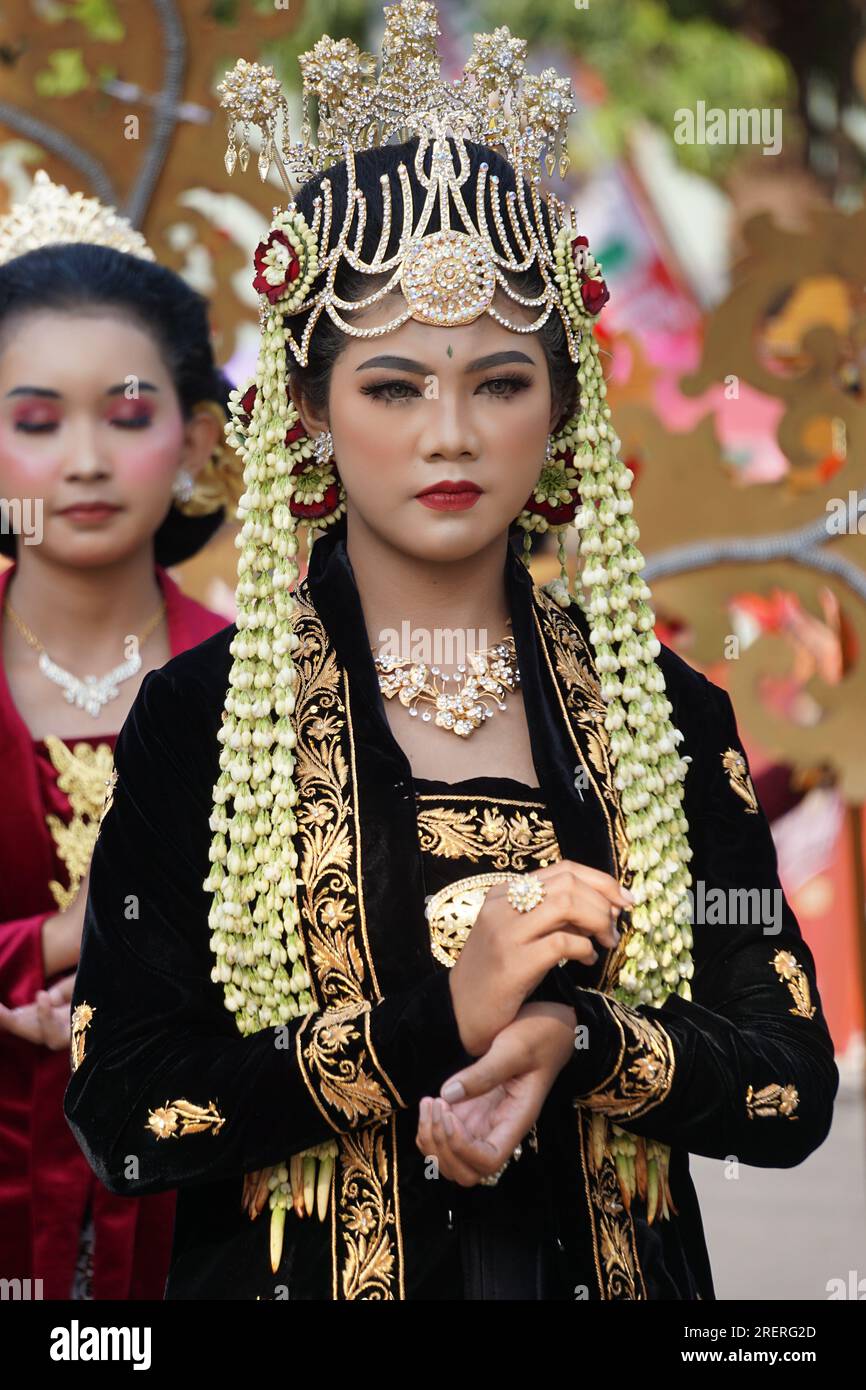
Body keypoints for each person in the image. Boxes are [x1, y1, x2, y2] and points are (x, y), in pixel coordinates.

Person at [64, 4, 838, 1301]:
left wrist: (574, 1037)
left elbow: (788, 1087)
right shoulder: (201, 721)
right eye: (393, 386)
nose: (449, 435)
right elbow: (129, 1111)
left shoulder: (670, 718)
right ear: (309, 405)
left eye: (496, 381)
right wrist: (430, 1026)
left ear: (561, 404)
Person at [0, 172, 240, 1298]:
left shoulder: (269, 686)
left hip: (210, 1218)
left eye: (128, 415)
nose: (84, 460)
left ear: (193, 438)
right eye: (37, 421)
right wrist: (58, 938)